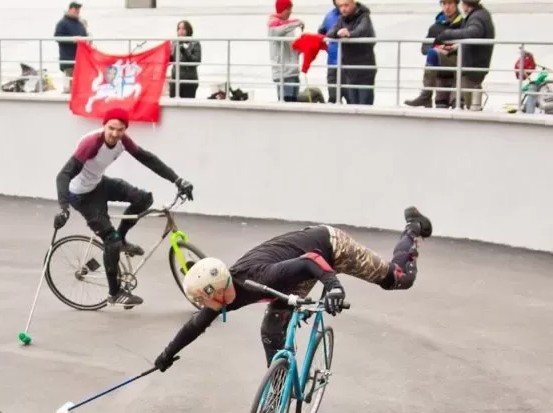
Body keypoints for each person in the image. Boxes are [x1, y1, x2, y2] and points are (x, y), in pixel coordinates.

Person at [152, 207, 433, 370]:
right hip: (296, 268)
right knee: (272, 329)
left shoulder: (262, 276)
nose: (201, 306)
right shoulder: (222, 293)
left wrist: (333, 287)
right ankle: (277, 387)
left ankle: (413, 227)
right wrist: (165, 356)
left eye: (202, 298)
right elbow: (194, 325)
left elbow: (310, 261)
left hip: (330, 247)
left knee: (397, 280)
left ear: (216, 291)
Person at [54, 107, 194, 308]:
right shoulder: (91, 144)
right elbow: (63, 176)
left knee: (143, 199)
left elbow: (148, 159)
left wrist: (178, 180)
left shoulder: (122, 141)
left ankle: (122, 241)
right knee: (111, 241)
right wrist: (64, 208)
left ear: (125, 129)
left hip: (99, 185)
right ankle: (114, 292)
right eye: (111, 128)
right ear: (104, 125)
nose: (114, 134)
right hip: (81, 196)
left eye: (120, 130)